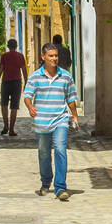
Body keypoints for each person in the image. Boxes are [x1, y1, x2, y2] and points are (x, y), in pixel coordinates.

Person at [23, 42, 79, 201]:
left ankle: (60, 187)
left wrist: (74, 116)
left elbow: (72, 97)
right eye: (51, 56)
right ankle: (46, 181)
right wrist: (30, 107)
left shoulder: (66, 76)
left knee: (61, 149)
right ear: (43, 57)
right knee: (44, 152)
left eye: (56, 56)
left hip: (60, 119)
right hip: (41, 121)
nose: (54, 58)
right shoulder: (35, 76)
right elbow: (27, 95)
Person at [0, 39, 28, 136]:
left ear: (8, 46)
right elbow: (24, 70)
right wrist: (26, 83)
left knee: (4, 104)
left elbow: (0, 70)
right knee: (14, 107)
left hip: (6, 82)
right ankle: (11, 129)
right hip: (17, 83)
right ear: (16, 46)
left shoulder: (4, 56)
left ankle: (5, 126)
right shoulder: (20, 56)